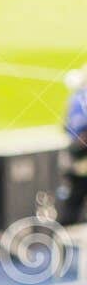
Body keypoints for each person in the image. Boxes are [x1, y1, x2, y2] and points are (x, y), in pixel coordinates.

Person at [60, 66, 87, 226]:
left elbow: (66, 128)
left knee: (73, 203)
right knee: (74, 201)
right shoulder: (79, 99)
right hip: (79, 160)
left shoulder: (76, 99)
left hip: (77, 158)